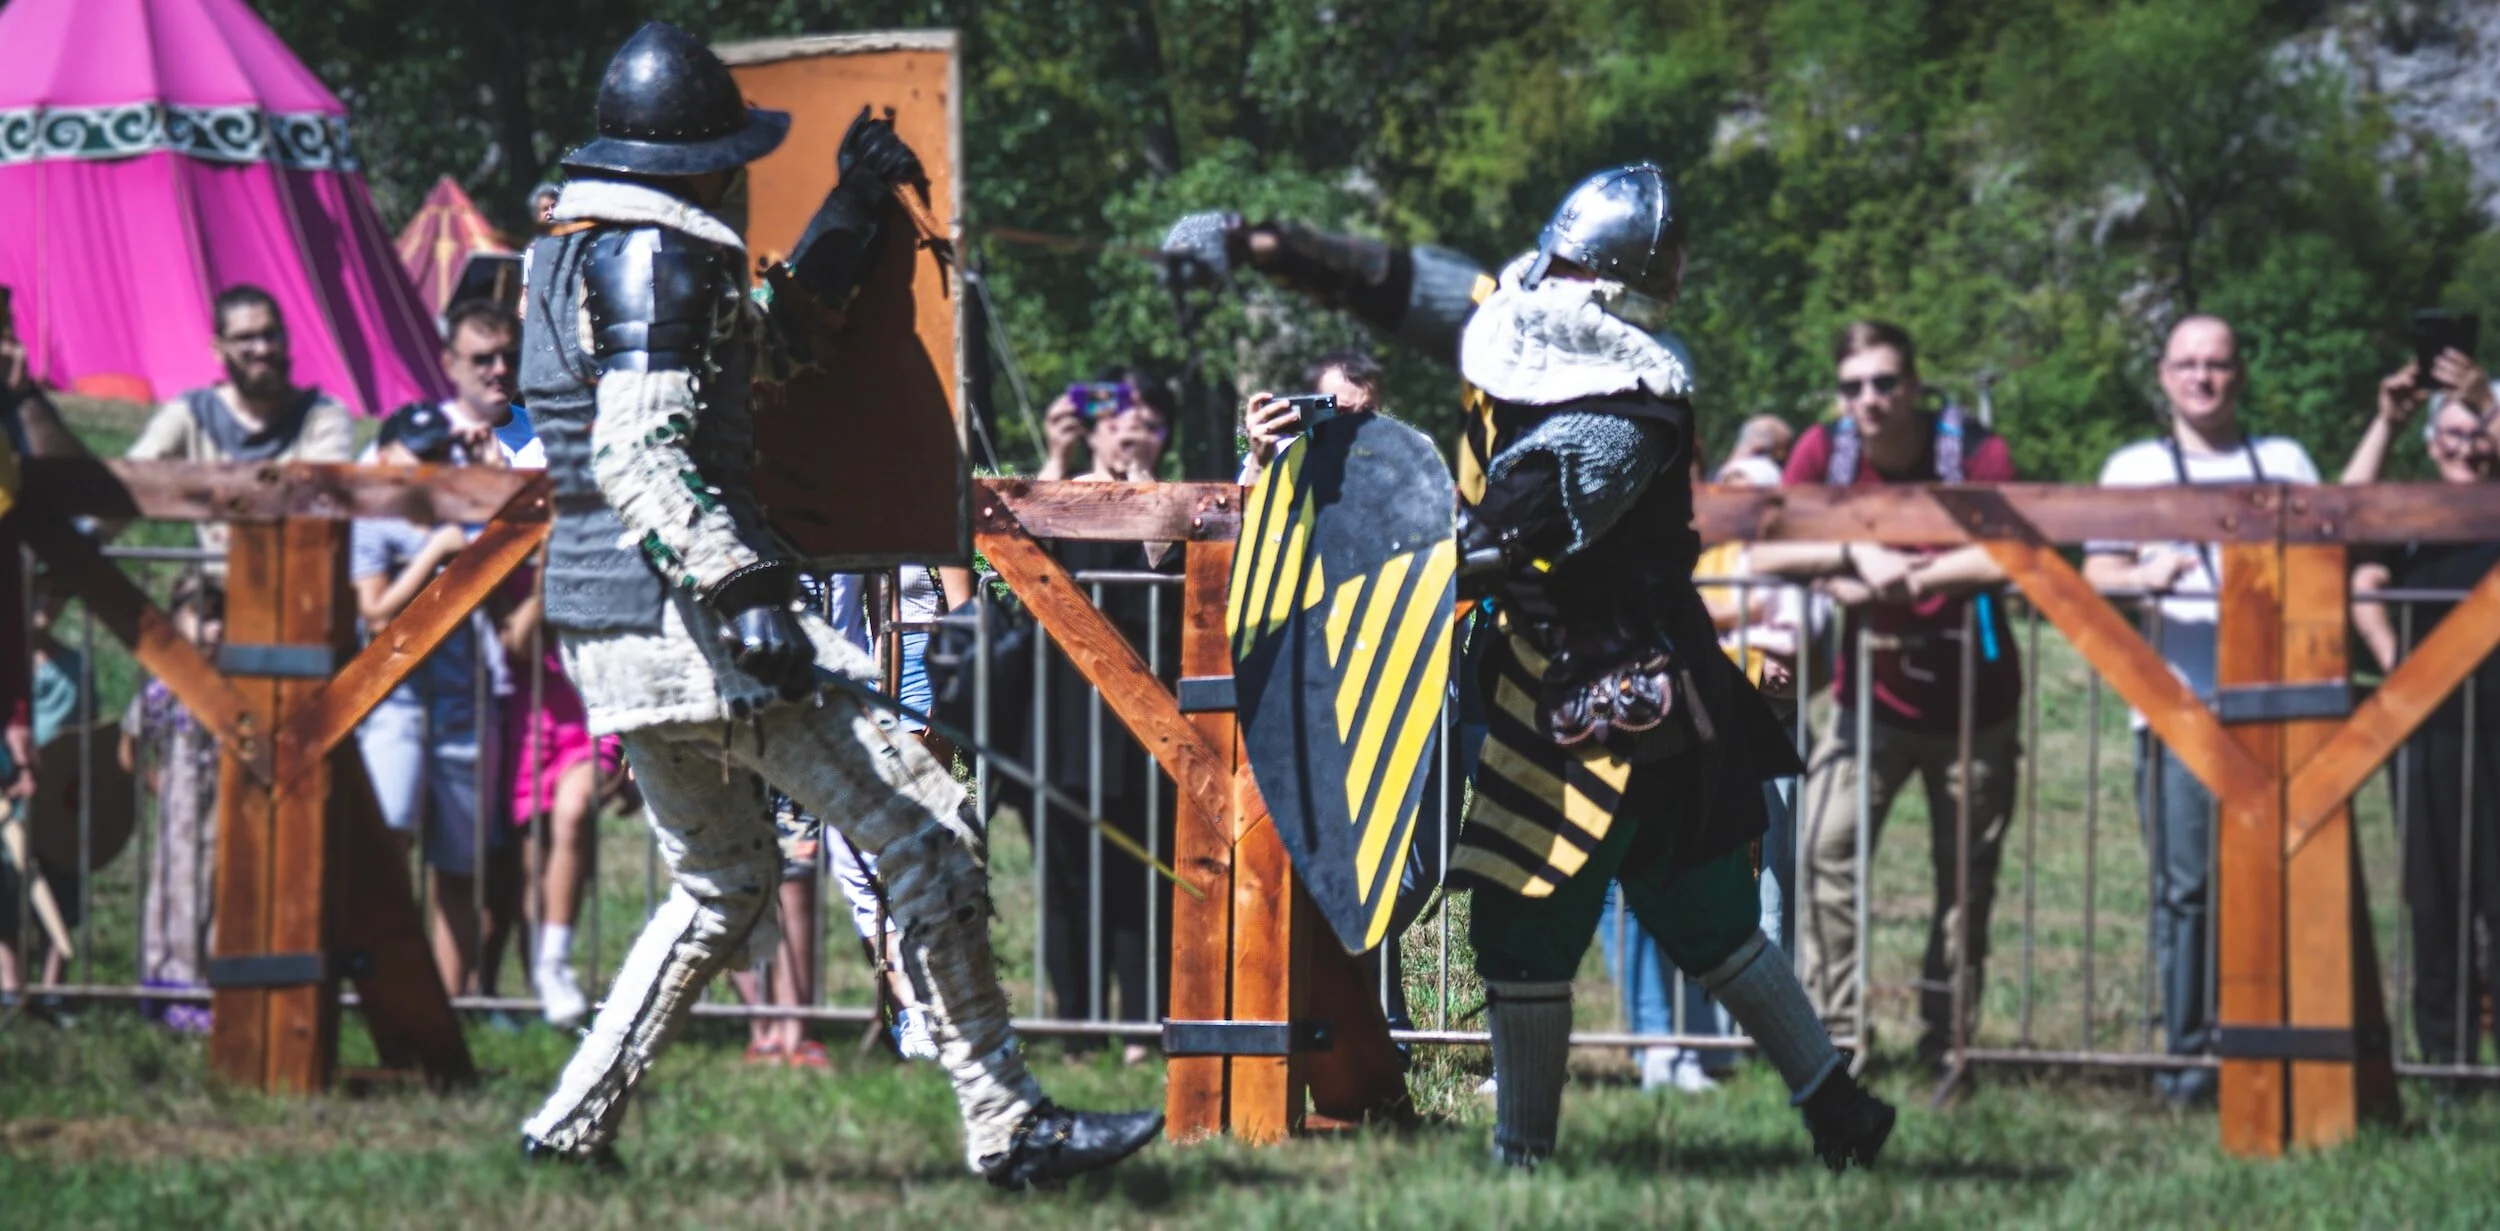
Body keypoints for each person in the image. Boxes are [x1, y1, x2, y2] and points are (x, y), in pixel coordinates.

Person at [511, 23, 1158, 1183]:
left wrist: (854, 215)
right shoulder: (661, 258)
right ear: (702, 162)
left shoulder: (571, 254)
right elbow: (641, 452)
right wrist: (750, 593)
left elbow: (772, 348)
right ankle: (1009, 1122)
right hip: (695, 619)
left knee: (723, 885)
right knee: (930, 834)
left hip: (610, 618)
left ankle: (568, 1124)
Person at [1172, 164, 1894, 1171]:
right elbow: (1389, 279)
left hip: (1600, 701)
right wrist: (1260, 246)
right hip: (1594, 687)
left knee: (1528, 920)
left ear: (1601, 285)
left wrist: (1388, 548)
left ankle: (1523, 1161)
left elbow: (1517, 524)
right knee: (1705, 916)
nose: (1538, 276)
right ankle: (1839, 1107)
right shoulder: (1513, 318)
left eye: (1560, 264)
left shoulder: (1629, 407)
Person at [1745, 321, 2024, 1073]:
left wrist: (1918, 578)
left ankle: (1948, 1045)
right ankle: (1838, 1038)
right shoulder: (1825, 452)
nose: (1870, 399)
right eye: (1854, 385)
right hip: (1868, 697)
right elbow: (1766, 545)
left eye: (1886, 382)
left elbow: (2012, 547)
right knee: (1828, 849)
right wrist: (1849, 553)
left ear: (1914, 383)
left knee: (1964, 879)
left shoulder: (1969, 451)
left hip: (1977, 700)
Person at [2081, 314, 2321, 1105]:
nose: (2203, 377)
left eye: (2217, 363)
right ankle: (2188, 1059)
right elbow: (2098, 572)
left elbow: (2328, 550)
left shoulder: (2283, 460)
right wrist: (2145, 573)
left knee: (2279, 879)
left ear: (2239, 373)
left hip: (2279, 707)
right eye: (2188, 363)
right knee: (2184, 888)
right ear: (2163, 375)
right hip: (2172, 709)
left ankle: (2272, 1043)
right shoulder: (2135, 466)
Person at [2343, 350, 2500, 1081]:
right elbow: (2342, 529)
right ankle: (2449, 1061)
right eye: (2454, 433)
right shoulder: (2407, 514)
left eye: (2480, 434)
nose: (2466, 447)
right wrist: (2386, 421)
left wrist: (2489, 401)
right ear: (2432, 443)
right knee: (2434, 893)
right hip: (2427, 725)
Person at [1027, 376, 1182, 1062]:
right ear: (1090, 430)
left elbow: (1167, 573)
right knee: (1066, 880)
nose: (1129, 432)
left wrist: (1146, 489)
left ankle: (1144, 1031)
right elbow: (1019, 556)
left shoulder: (1173, 502)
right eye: (1117, 420)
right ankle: (1077, 1033)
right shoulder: (1063, 492)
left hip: (1146, 726)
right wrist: (1055, 462)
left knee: (1140, 883)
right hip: (1064, 716)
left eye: (1146, 423)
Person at [352, 401, 522, 1001]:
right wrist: (434, 554)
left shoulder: (464, 513)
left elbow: (513, 541)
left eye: (436, 456)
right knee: (388, 846)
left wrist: (485, 468)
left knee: (459, 865)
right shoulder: (373, 520)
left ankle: (452, 1000)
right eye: (415, 456)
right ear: (386, 454)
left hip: (463, 703)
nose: (427, 468)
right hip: (392, 705)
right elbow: (374, 615)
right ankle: (387, 987)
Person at [124, 287, 354, 559]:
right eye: (245, 338)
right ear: (218, 350)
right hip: (215, 585)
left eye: (271, 334)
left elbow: (318, 501)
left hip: (298, 583)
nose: (262, 349)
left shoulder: (323, 415)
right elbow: (128, 481)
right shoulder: (191, 414)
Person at [122, 571, 225, 1032]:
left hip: (225, 817)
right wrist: (157, 785)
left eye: (223, 619)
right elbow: (129, 745)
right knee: (177, 896)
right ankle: (175, 991)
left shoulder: (237, 690)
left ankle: (214, 987)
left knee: (219, 896)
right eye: (203, 618)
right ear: (177, 624)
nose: (215, 631)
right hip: (179, 820)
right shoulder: (165, 691)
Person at [1239, 348, 1385, 483]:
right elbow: (1246, 510)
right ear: (1311, 409)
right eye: (1341, 411)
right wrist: (1259, 464)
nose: (1356, 424)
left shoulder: (1391, 463)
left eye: (1367, 411)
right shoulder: (1280, 455)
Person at [436, 299, 542, 466]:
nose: (501, 369)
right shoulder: (425, 440)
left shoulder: (547, 438)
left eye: (511, 357)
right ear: (450, 365)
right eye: (484, 359)